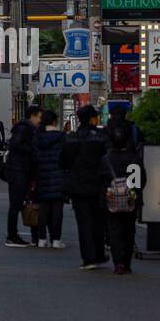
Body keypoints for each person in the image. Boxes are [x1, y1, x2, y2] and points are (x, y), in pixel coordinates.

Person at [61, 104, 109, 270]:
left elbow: (64, 162)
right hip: (98, 184)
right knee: (98, 221)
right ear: (91, 118)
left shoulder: (72, 138)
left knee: (84, 222)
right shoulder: (100, 138)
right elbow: (106, 160)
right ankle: (99, 253)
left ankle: (88, 258)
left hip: (78, 186)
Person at [101, 122, 143, 275]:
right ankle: (126, 263)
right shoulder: (134, 158)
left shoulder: (106, 159)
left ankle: (118, 262)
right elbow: (141, 179)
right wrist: (135, 193)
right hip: (131, 199)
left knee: (114, 231)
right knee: (129, 231)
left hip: (111, 199)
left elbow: (101, 180)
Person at [4, 105, 42, 247]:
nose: (40, 120)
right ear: (32, 116)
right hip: (18, 170)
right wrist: (33, 151)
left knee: (17, 204)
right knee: (16, 204)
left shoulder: (26, 128)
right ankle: (12, 236)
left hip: (20, 170)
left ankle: (13, 235)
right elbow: (15, 144)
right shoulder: (24, 128)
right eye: (39, 117)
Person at [30, 109, 67, 249]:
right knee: (57, 209)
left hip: (41, 175)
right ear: (54, 121)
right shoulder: (62, 137)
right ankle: (56, 240)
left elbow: (33, 158)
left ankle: (41, 239)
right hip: (58, 175)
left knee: (43, 209)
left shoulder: (37, 137)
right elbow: (66, 157)